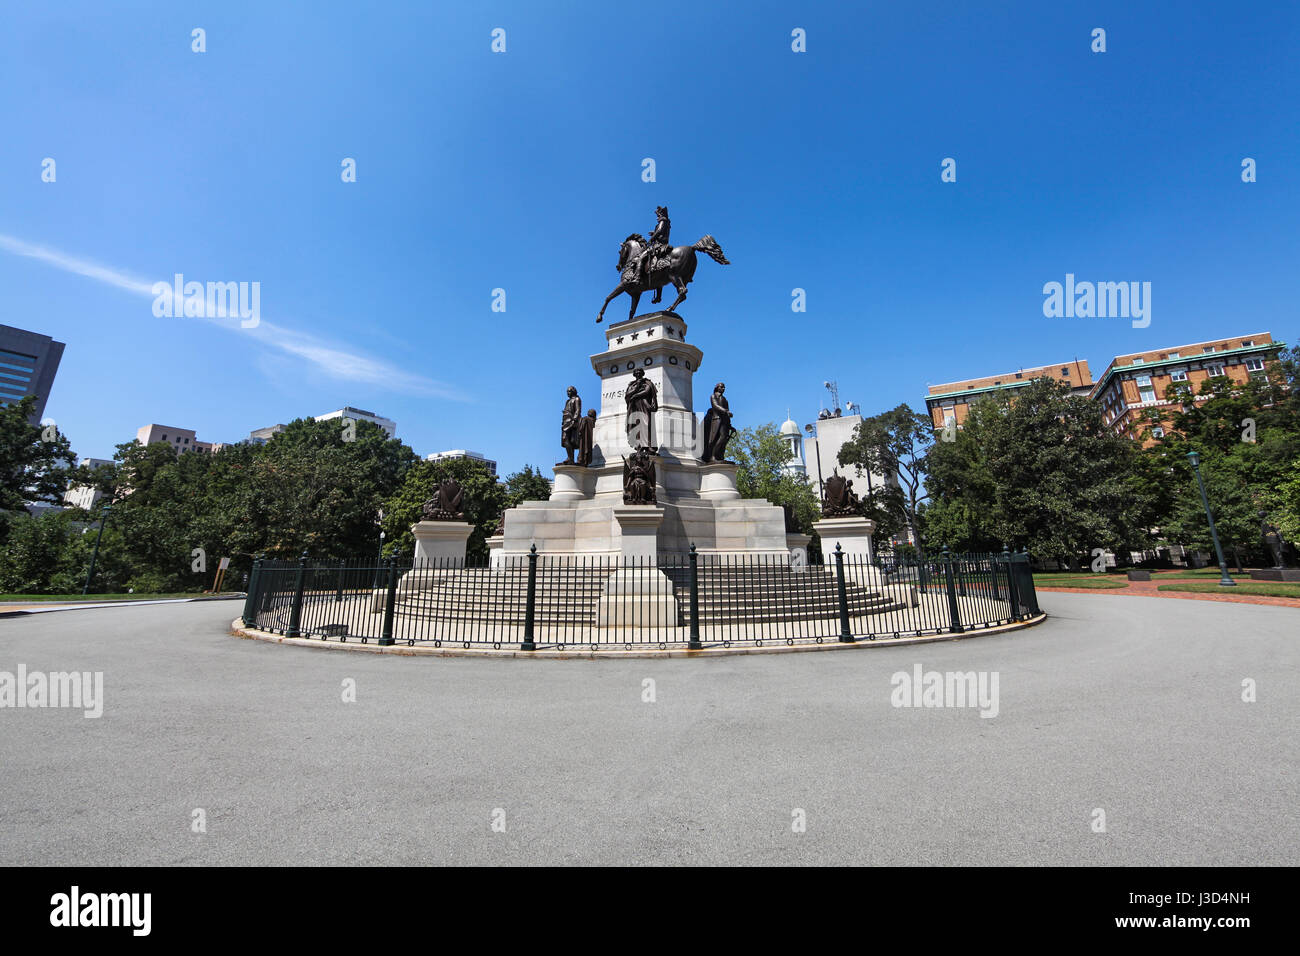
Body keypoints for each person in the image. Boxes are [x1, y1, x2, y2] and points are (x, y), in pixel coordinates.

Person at [624, 367, 659, 450]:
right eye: (636, 372)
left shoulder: (647, 382)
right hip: (634, 408)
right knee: (636, 425)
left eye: (640, 372)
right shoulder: (631, 385)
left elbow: (647, 391)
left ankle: (648, 445)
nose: (638, 374)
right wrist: (636, 388)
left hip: (644, 405)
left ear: (643, 373)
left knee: (646, 424)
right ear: (634, 374)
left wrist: (636, 395)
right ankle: (639, 445)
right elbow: (628, 394)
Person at [701, 382, 734, 462]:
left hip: (724, 421)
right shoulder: (713, 396)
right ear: (717, 388)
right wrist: (726, 411)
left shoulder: (725, 400)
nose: (723, 389)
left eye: (724, 387)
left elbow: (727, 413)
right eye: (721, 387)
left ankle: (718, 456)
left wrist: (730, 425)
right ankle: (712, 456)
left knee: (723, 438)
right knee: (714, 439)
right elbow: (715, 406)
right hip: (717, 420)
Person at [560, 386, 582, 463]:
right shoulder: (567, 401)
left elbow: (578, 410)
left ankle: (571, 458)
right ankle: (570, 457)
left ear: (573, 391)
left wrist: (574, 420)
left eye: (569, 391)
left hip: (572, 422)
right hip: (566, 422)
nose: (568, 393)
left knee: (571, 440)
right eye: (567, 392)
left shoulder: (577, 399)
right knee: (565, 439)